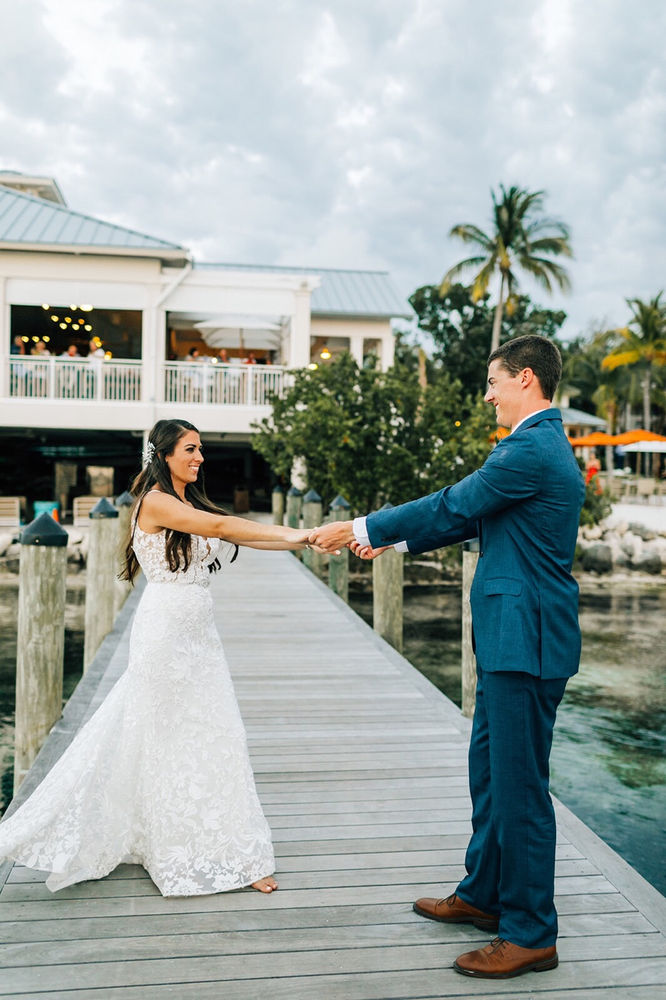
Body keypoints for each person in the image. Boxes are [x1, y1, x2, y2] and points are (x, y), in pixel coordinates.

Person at [310, 335, 585, 980]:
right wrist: (391, 545)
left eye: (493, 383)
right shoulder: (533, 448)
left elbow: (455, 503)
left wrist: (363, 528)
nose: (487, 395)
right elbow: (474, 522)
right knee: (490, 775)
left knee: (520, 790)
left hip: (527, 641)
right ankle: (485, 893)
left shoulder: (531, 448)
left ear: (525, 379)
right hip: (511, 639)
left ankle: (530, 932)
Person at [0, 418, 326, 897]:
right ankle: (171, 846)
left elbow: (238, 534)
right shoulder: (155, 501)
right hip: (165, 632)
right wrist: (300, 531)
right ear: (164, 455)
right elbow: (219, 525)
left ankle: (230, 851)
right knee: (165, 735)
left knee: (213, 733)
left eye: (201, 450)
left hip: (200, 637)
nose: (200, 457)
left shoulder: (186, 502)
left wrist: (304, 541)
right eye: (191, 449)